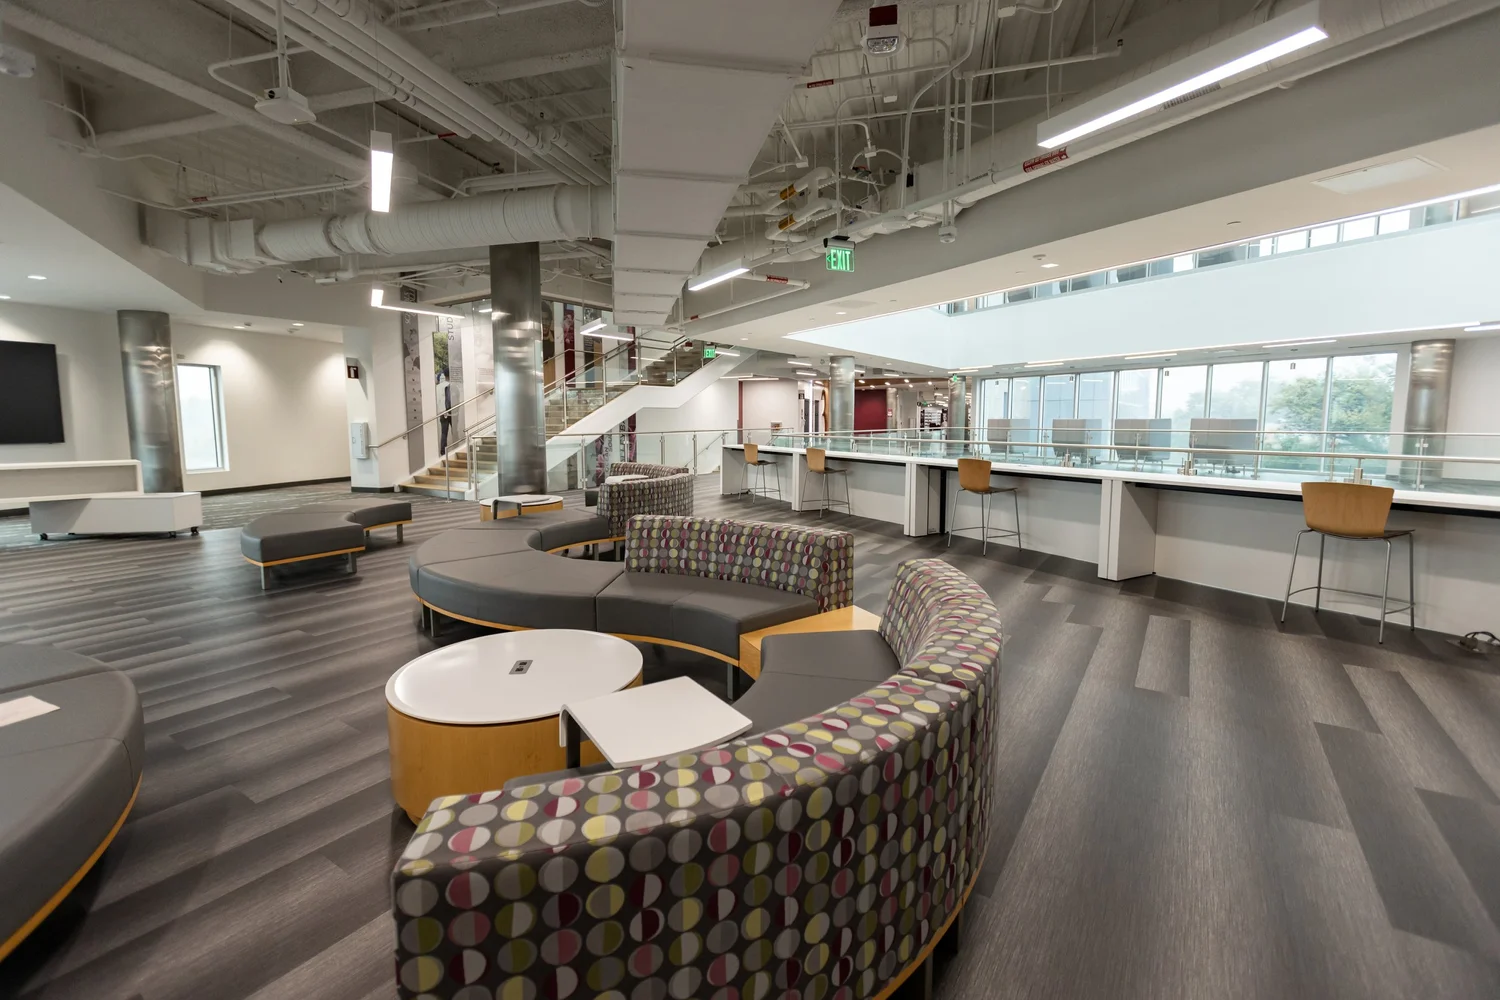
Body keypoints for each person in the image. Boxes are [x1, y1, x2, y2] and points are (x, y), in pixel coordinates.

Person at [436, 369, 452, 454]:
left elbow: (437, 401)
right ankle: (458, 447)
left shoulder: (437, 387)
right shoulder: (451, 386)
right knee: (455, 431)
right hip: (451, 412)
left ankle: (443, 451)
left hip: (442, 412)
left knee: (444, 432)